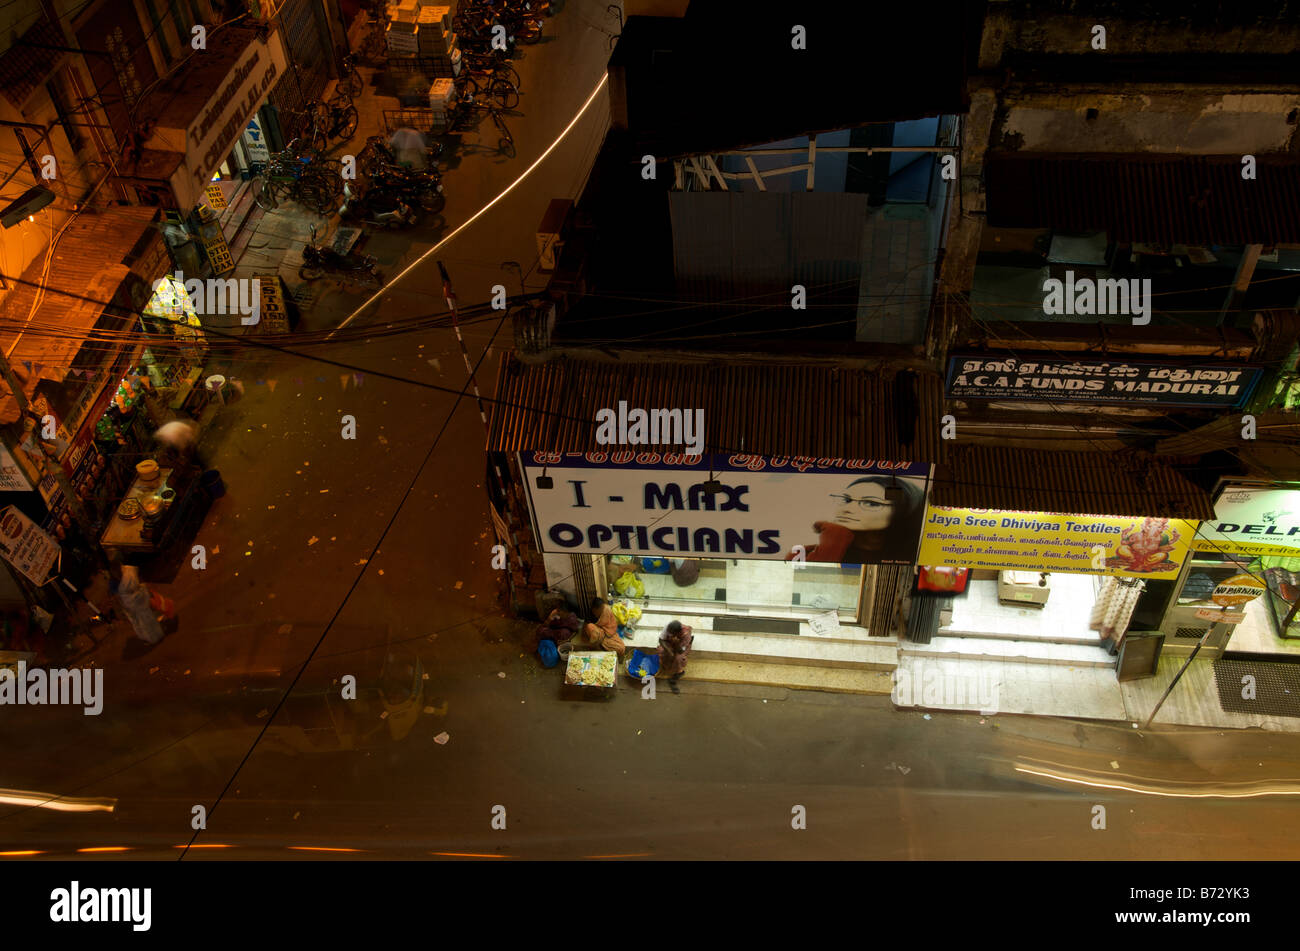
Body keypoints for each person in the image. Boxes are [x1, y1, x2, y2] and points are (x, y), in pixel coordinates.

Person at [786, 475, 925, 565]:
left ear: (903, 511)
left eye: (871, 503)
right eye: (846, 500)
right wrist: (834, 539)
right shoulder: (802, 553)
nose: (847, 509)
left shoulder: (914, 557)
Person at [108, 561, 165, 646]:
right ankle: (157, 635)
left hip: (132, 602)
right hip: (138, 599)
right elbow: (139, 579)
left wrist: (122, 608)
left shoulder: (117, 579)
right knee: (147, 617)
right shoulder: (128, 571)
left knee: (142, 621)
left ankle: (152, 638)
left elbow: (117, 597)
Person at [658, 620, 693, 691]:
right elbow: (661, 640)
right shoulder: (668, 627)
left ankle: (677, 675)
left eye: (671, 633)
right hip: (671, 642)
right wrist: (669, 651)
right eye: (669, 632)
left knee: (678, 659)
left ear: (677, 632)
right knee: (662, 651)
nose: (669, 633)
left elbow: (681, 650)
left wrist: (676, 643)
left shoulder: (686, 634)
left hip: (681, 646)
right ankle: (666, 665)